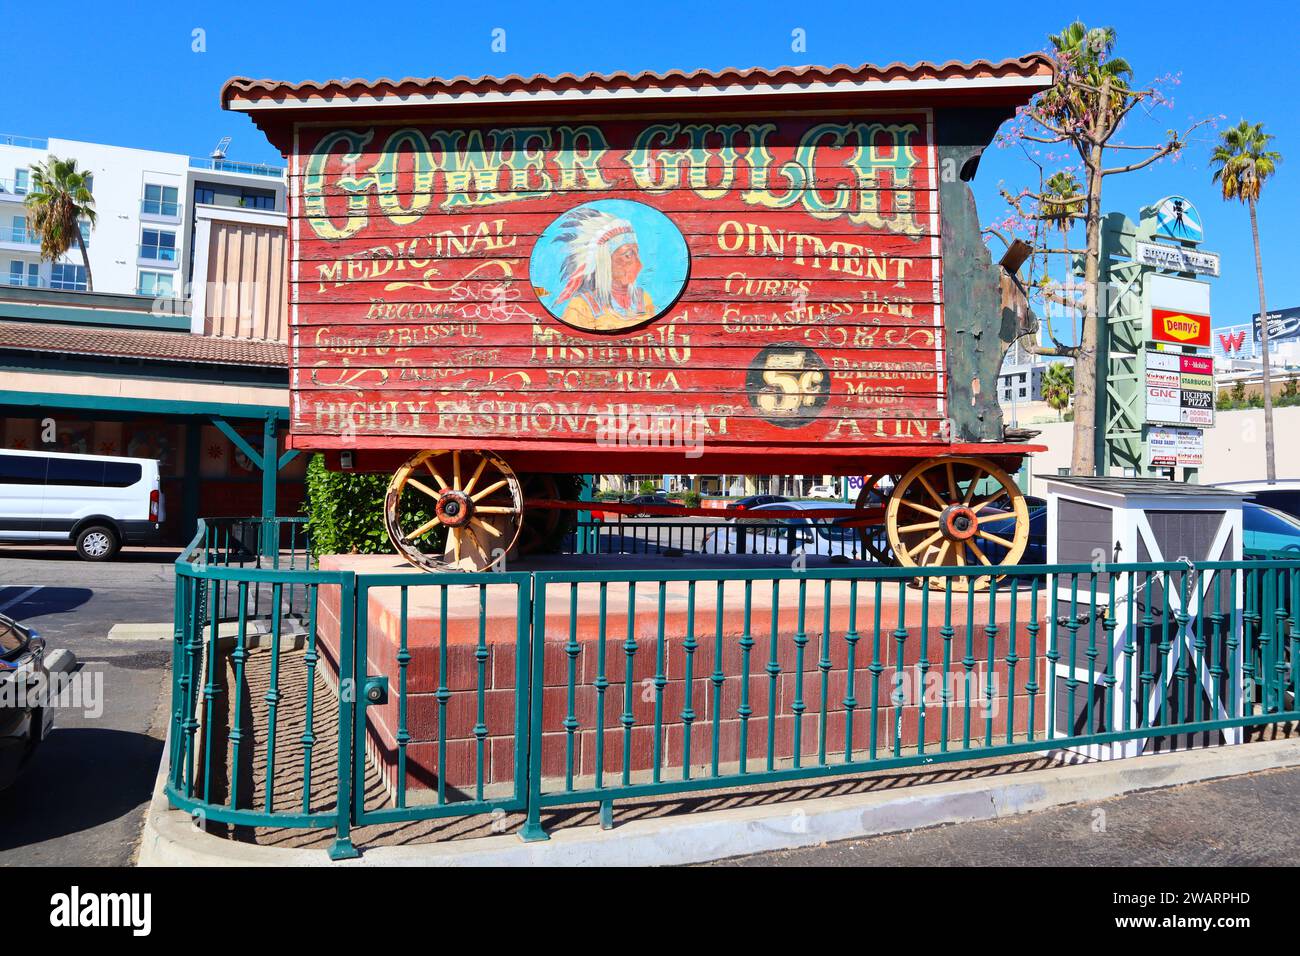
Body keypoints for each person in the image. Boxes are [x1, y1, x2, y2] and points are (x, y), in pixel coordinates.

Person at [550, 207, 654, 330]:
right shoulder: (580, 307)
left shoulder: (643, 299)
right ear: (605, 261)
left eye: (636, 254)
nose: (639, 264)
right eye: (628, 255)